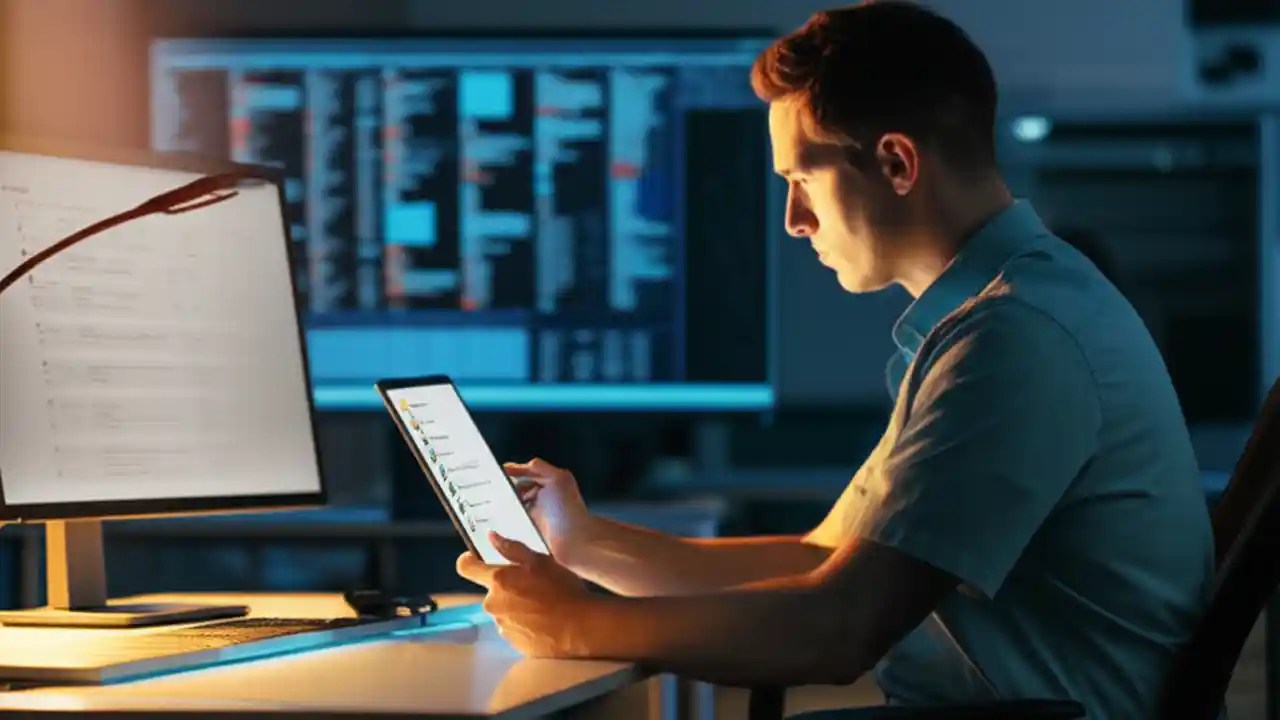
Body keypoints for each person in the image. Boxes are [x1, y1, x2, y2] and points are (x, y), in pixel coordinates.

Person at [456, 2, 1215, 716]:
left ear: (896, 163)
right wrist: (585, 544)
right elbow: (822, 562)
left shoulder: (1016, 337)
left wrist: (576, 624)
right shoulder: (1000, 316)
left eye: (801, 178)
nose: (794, 219)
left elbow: (840, 627)